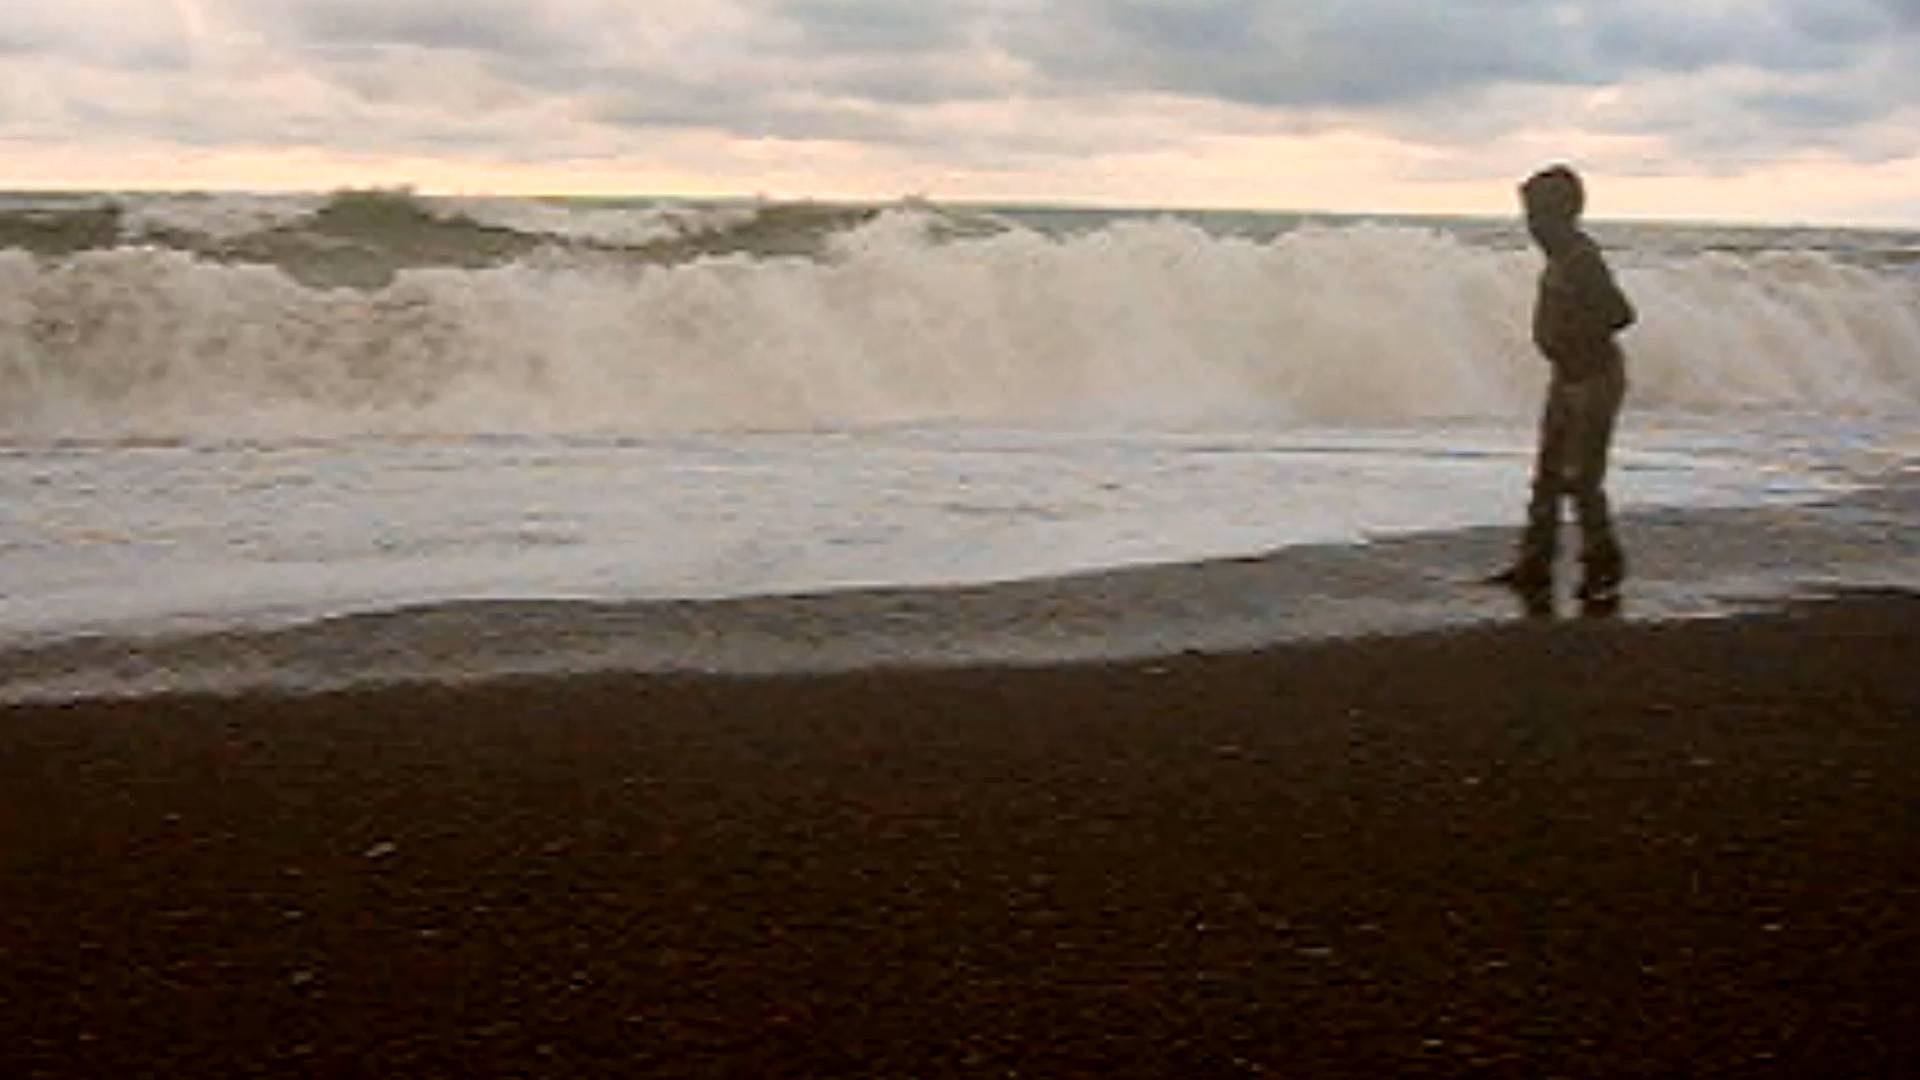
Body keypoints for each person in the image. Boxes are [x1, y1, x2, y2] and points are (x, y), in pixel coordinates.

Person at [1489, 165, 1636, 608]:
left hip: (1593, 376)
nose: (1529, 225)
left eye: (1536, 215)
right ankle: (1534, 564)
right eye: (1527, 215)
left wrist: (1576, 334)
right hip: (1567, 375)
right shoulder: (1561, 256)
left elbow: (1621, 314)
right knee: (1548, 475)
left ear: (1562, 215)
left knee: (1582, 478)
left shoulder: (1581, 258)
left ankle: (1603, 561)